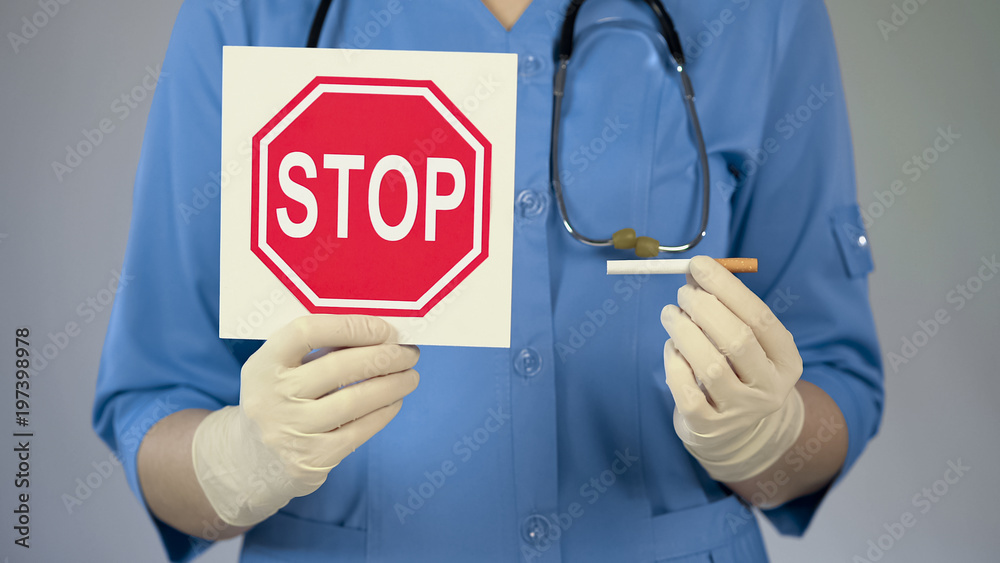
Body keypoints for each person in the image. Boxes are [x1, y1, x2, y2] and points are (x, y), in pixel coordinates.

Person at [92, 0, 884, 561]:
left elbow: (838, 382)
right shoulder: (248, 13)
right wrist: (237, 463)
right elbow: (152, 400)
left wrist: (766, 439)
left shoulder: (762, 13)